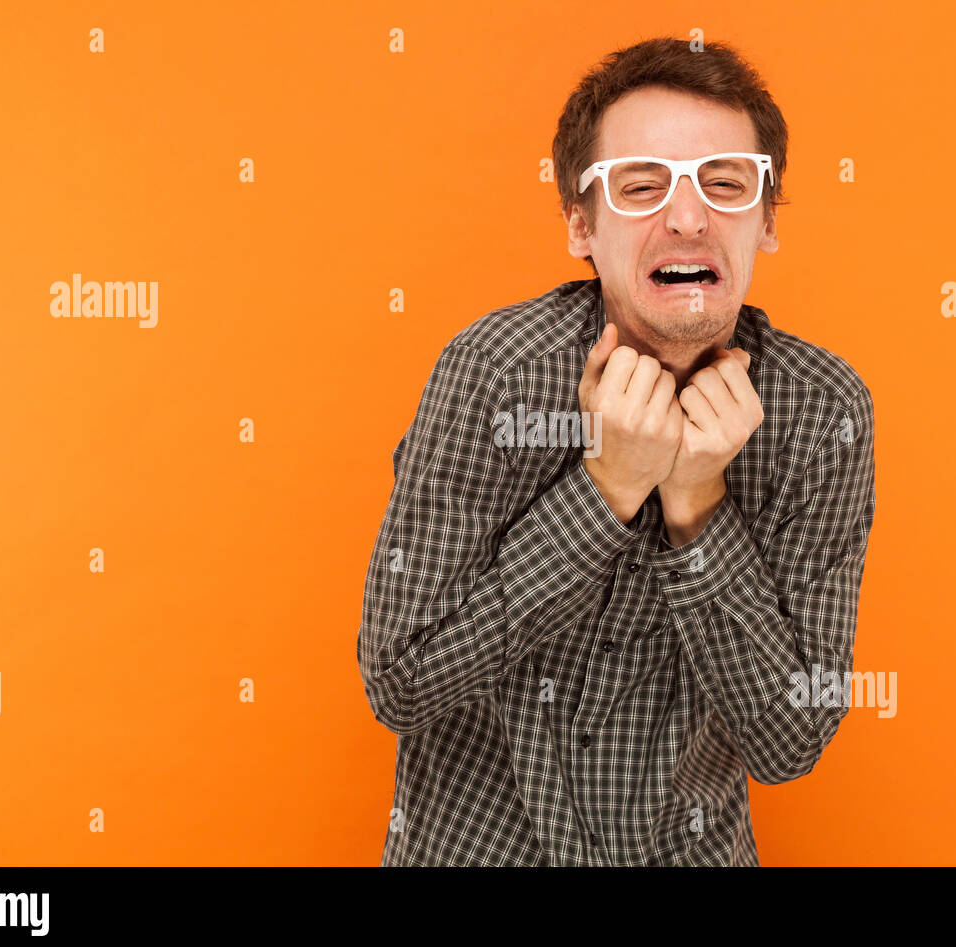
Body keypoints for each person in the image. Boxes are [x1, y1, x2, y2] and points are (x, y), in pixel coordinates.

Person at [357, 37, 876, 866]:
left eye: (725, 183)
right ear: (580, 225)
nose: (687, 216)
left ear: (766, 220)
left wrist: (700, 505)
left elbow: (791, 743)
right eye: (641, 186)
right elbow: (401, 681)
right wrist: (605, 488)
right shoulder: (493, 373)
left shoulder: (823, 414)